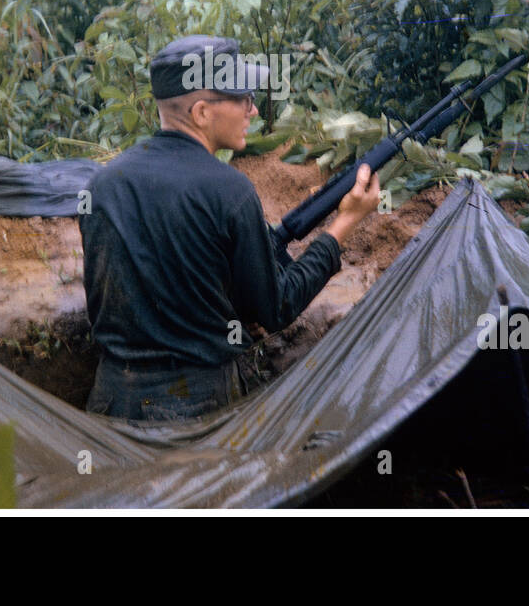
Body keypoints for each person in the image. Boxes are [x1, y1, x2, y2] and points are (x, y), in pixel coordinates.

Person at [79, 34, 380, 421]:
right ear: (202, 112)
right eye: (242, 99)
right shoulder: (230, 191)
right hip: (195, 409)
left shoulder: (102, 185)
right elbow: (277, 307)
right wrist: (344, 225)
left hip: (108, 405)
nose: (252, 111)